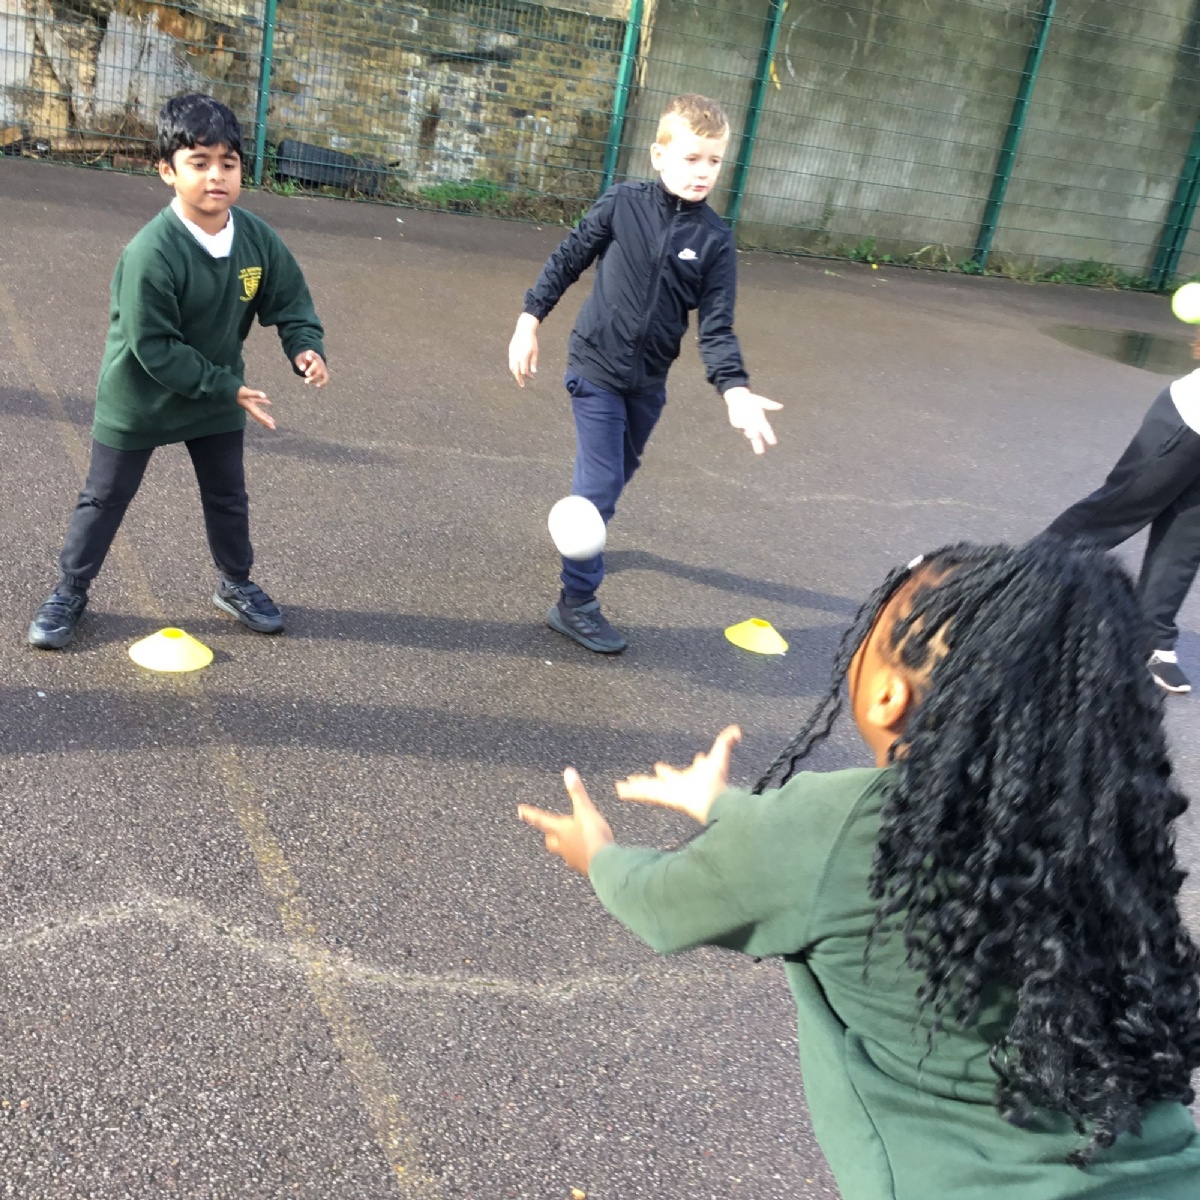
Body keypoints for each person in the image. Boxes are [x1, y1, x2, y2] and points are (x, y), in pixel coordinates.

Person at [519, 539, 1200, 1199]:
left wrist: (597, 853)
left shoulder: (834, 825)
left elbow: (660, 901)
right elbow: (807, 848)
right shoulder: (1103, 835)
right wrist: (723, 805)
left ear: (885, 697)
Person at [28, 93, 328, 649]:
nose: (217, 176)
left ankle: (235, 583)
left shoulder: (256, 238)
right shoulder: (151, 252)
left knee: (228, 496)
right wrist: (227, 386)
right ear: (167, 170)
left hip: (218, 397)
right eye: (199, 162)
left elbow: (290, 301)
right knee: (104, 497)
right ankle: (69, 590)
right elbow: (156, 347)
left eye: (228, 163)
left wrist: (304, 347)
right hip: (140, 398)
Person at [507, 93, 781, 654]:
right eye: (691, 158)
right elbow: (568, 258)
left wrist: (735, 389)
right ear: (659, 156)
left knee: (612, 482)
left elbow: (717, 328)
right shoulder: (623, 204)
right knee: (599, 485)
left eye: (714, 161)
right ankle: (575, 603)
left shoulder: (714, 239)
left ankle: (580, 529)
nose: (703, 171)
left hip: (648, 383)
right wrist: (528, 320)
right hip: (595, 368)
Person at [1045, 330, 1200, 693]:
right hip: (1187, 422)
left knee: (1186, 541)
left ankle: (1152, 639)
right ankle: (1013, 586)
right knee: (1111, 514)